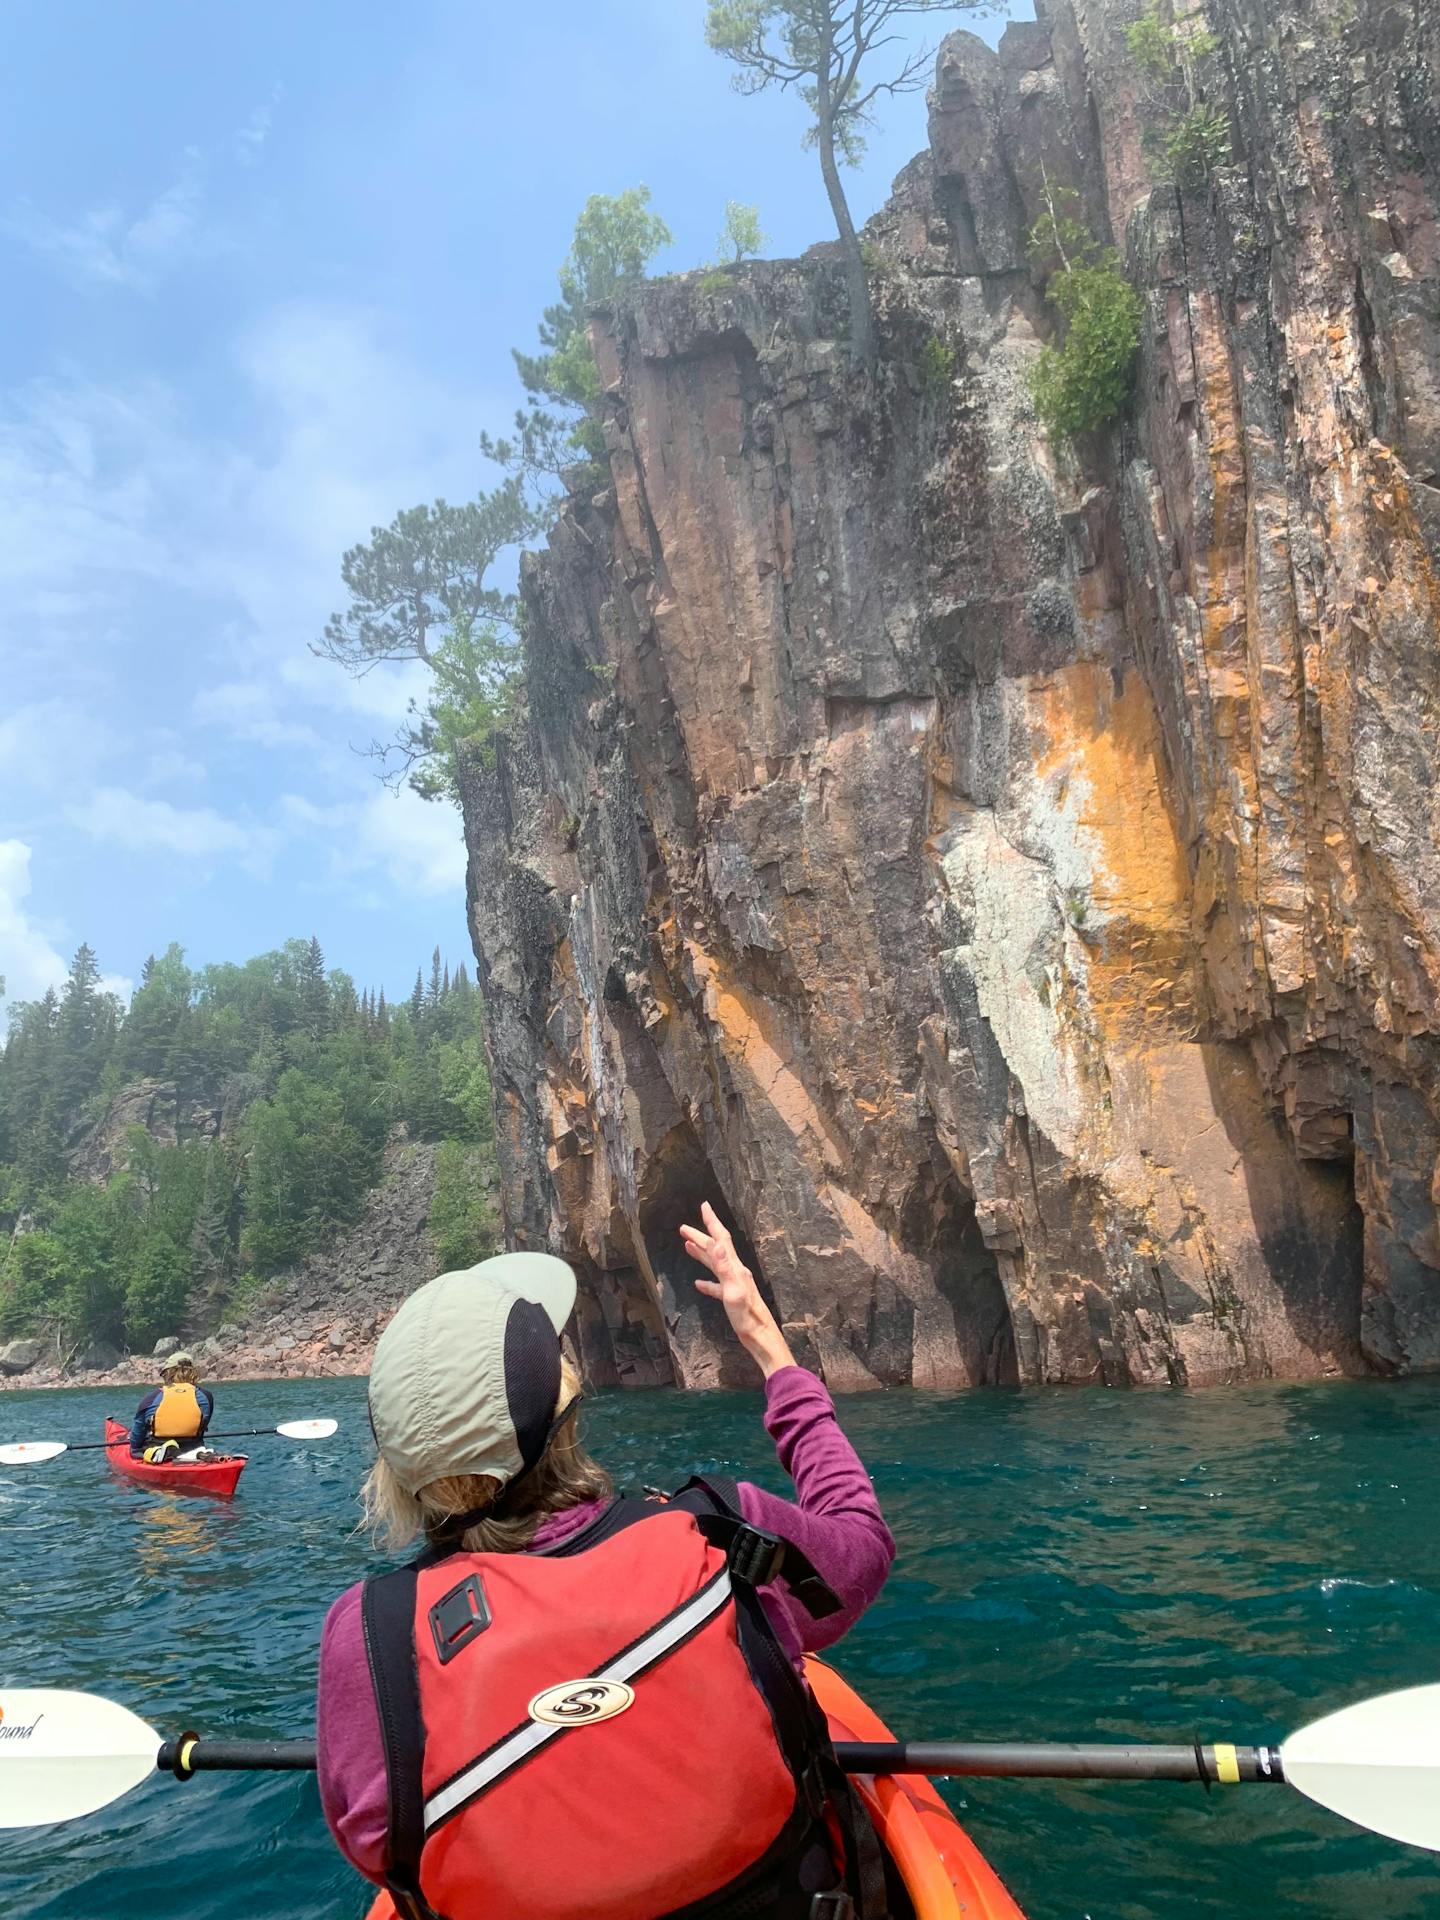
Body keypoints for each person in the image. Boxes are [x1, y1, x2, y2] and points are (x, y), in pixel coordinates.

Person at [317, 1201, 896, 1920]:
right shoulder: (718, 1533)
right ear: (566, 1420)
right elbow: (860, 1551)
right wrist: (774, 1358)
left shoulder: (368, 1636)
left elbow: (374, 1843)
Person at [129, 1352, 217, 1463]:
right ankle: (193, 1455)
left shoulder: (152, 1398)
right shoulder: (206, 1396)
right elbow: (203, 1426)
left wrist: (135, 1448)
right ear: (193, 1372)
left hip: (159, 1448)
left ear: (168, 1373)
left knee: (135, 1450)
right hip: (193, 1448)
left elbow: (136, 1439)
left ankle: (164, 1452)